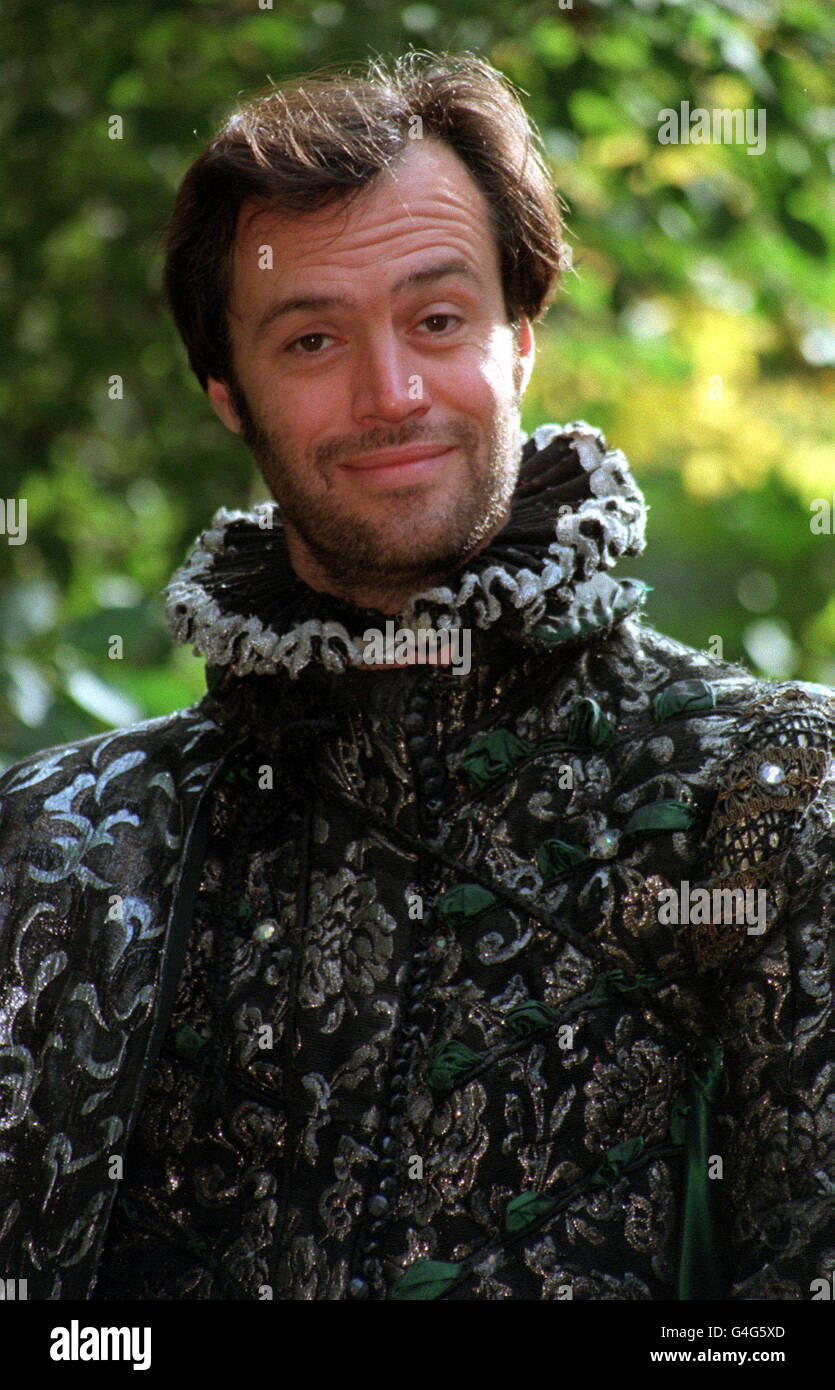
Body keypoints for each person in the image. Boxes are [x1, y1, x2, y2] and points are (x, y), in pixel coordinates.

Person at [0, 51, 831, 1302]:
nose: (390, 395)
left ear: (520, 339)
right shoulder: (58, 845)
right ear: (228, 392)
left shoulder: (768, 797)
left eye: (437, 319)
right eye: (313, 336)